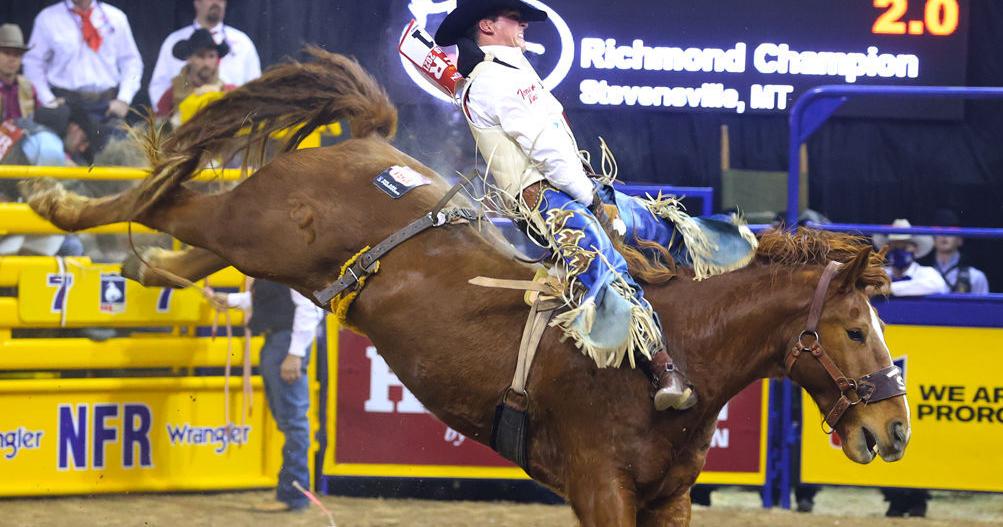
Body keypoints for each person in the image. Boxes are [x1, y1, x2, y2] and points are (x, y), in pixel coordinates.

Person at [433, 0, 757, 411]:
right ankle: (664, 364)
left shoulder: (501, 73)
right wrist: (591, 198)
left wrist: (587, 193)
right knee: (607, 269)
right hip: (552, 200)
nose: (523, 26)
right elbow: (548, 149)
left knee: (647, 232)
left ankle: (736, 265)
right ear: (487, 25)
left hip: (563, 190)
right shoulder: (498, 79)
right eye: (514, 19)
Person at [214, 279, 323, 512]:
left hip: (284, 342)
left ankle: (293, 495)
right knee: (291, 421)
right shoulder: (285, 266)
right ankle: (292, 492)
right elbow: (276, 299)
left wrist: (294, 354)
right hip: (281, 341)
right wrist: (232, 300)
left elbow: (308, 307)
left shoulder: (289, 264)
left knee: (293, 422)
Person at [22, 0, 143, 144]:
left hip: (106, 107)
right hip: (65, 106)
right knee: (61, 160)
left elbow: (131, 61)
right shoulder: (48, 18)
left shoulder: (116, 17)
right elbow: (33, 62)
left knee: (114, 158)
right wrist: (48, 100)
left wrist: (124, 98)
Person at [148, 0, 260, 107]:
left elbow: (255, 88)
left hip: (230, 118)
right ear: (197, 2)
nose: (216, 2)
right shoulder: (173, 41)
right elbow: (158, 88)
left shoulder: (243, 43)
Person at [155, 28, 235, 126]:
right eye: (200, 56)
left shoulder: (227, 92)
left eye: (211, 56)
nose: (206, 63)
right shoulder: (172, 94)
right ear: (189, 58)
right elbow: (158, 131)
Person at [873, 219, 948, 297]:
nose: (899, 250)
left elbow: (937, 285)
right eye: (895, 245)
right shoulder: (879, 274)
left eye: (904, 246)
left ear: (915, 248)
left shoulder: (927, 273)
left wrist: (888, 288)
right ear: (887, 248)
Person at [925, 209, 990, 294]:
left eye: (951, 230)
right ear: (932, 238)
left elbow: (983, 307)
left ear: (960, 239)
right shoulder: (921, 274)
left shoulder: (975, 277)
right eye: (938, 230)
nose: (944, 234)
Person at [0, 24, 37, 122]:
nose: (12, 59)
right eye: (7, 53)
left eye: (17, 55)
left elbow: (39, 118)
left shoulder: (28, 87)